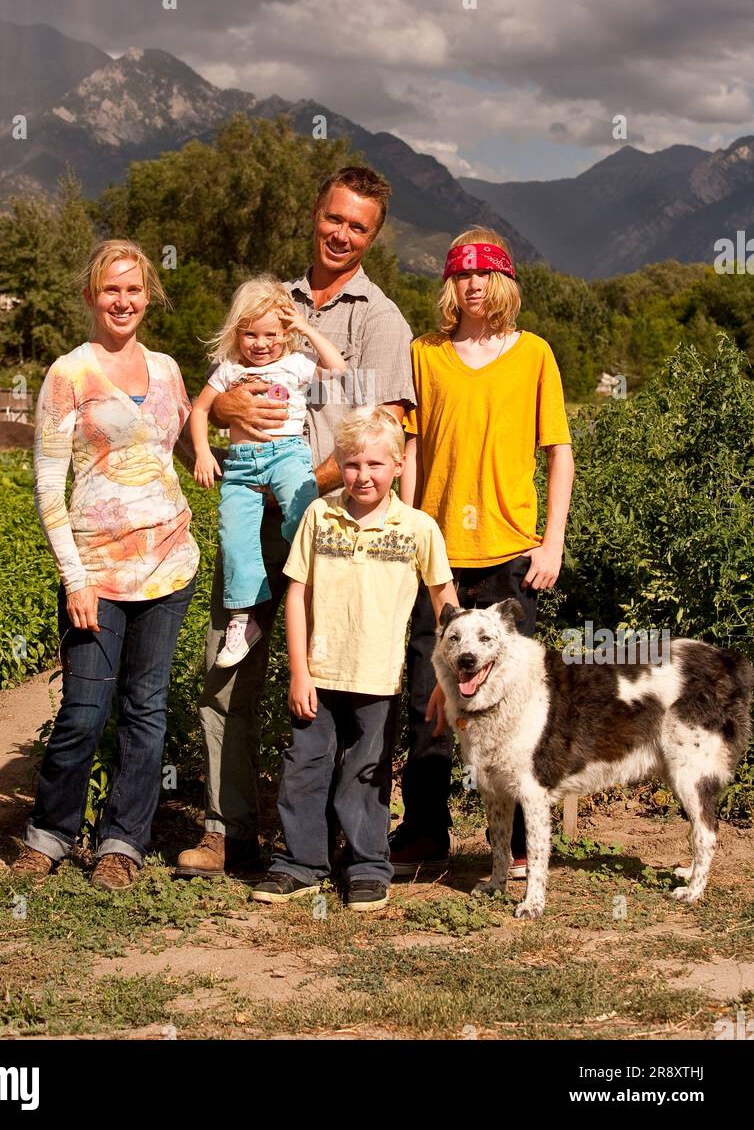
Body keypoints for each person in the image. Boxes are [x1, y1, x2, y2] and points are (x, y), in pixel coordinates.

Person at [175, 165, 415, 877]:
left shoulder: (379, 321)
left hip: (331, 525)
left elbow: (383, 431)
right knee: (230, 668)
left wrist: (300, 488)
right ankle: (227, 828)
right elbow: (217, 385)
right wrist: (220, 411)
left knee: (341, 678)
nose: (342, 234)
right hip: (252, 515)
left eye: (358, 226)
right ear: (315, 213)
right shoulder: (270, 303)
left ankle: (333, 837)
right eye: (334, 218)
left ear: (373, 236)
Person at [12, 239, 199, 891]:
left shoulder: (170, 369)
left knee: (146, 709)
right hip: (97, 572)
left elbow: (169, 451)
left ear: (149, 295)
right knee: (85, 710)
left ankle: (123, 842)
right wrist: (75, 576)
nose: (124, 300)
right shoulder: (69, 373)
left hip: (170, 563)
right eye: (111, 289)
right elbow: (47, 482)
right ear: (92, 296)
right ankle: (51, 833)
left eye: (135, 289)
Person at [391, 228, 575, 878]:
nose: (471, 285)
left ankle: (524, 844)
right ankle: (422, 835)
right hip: (438, 554)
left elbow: (559, 452)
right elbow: (409, 452)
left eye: (483, 274)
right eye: (460, 275)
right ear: (450, 284)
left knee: (515, 701)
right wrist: (408, 530)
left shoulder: (533, 356)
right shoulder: (425, 354)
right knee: (427, 696)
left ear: (502, 283)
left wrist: (551, 541)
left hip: (510, 556)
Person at [251, 407, 458, 911]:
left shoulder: (418, 528)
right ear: (338, 465)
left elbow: (444, 602)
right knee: (305, 765)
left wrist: (445, 675)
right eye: (351, 464)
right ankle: (301, 863)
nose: (363, 475)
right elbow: (297, 593)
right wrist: (298, 671)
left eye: (375, 464)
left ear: (399, 466)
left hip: (379, 678)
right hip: (319, 674)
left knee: (367, 773)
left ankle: (366, 866)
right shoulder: (320, 515)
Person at [190, 275, 345, 668]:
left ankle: (316, 582)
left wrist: (305, 327)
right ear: (236, 333)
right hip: (241, 467)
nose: (261, 344)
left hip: (287, 456)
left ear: (285, 331)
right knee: (235, 535)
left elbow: (339, 367)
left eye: (271, 334)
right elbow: (200, 410)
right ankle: (243, 620)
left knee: (301, 509)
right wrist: (204, 454)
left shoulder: (296, 363)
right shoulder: (228, 369)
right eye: (250, 335)